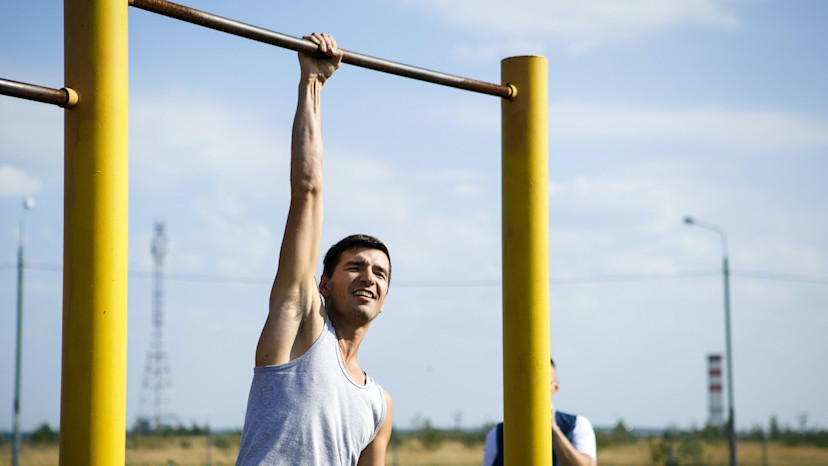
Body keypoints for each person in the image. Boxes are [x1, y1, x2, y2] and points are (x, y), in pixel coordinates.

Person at [235, 32, 393, 466]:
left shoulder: (379, 404)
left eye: (380, 273)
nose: (369, 277)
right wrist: (312, 83)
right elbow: (307, 190)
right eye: (355, 267)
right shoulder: (300, 325)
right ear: (323, 283)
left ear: (385, 299)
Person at [482, 359, 597, 466]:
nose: (533, 388)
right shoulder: (498, 434)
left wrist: (554, 430)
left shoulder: (577, 425)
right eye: (527, 381)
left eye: (542, 382)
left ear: (555, 387)